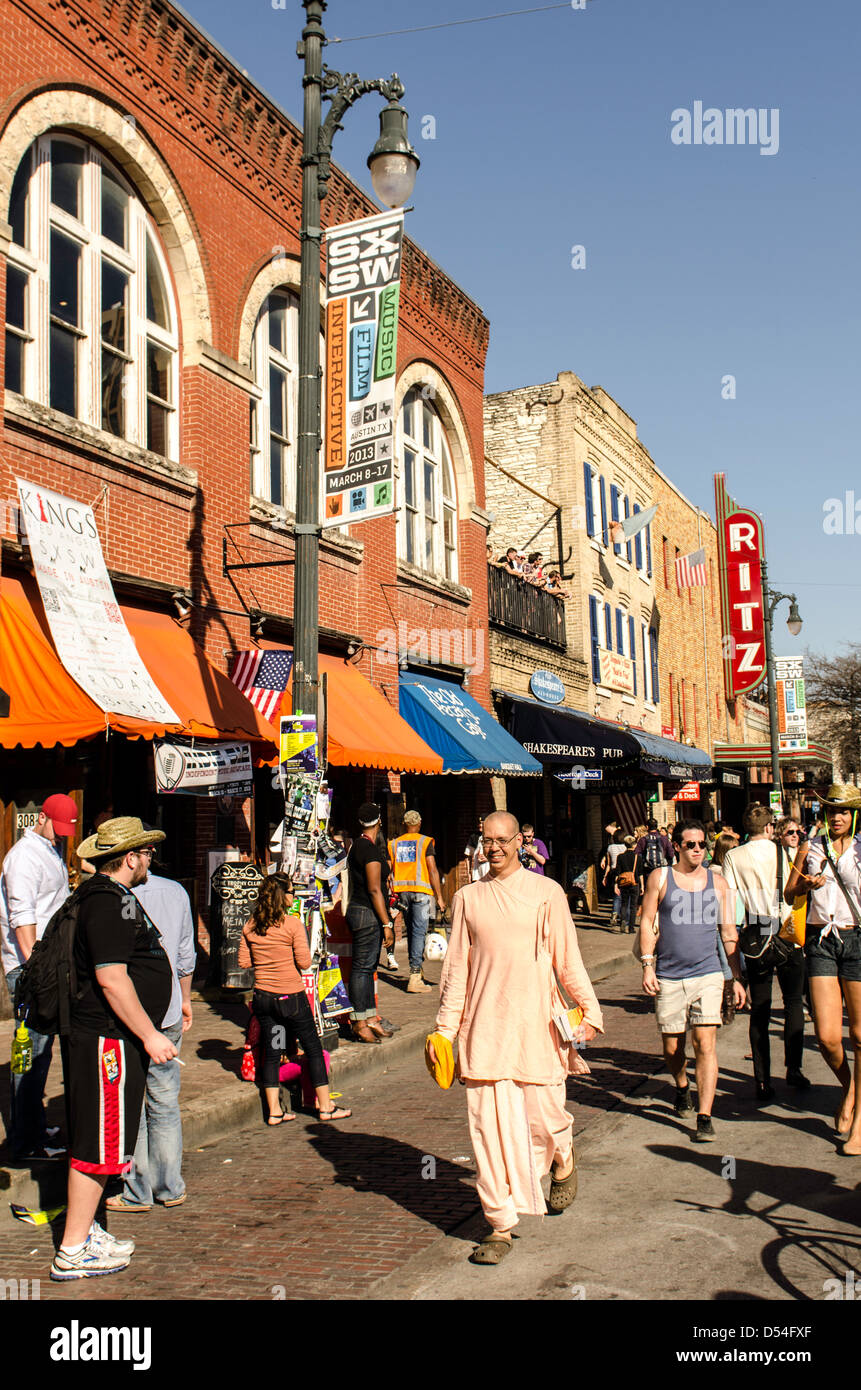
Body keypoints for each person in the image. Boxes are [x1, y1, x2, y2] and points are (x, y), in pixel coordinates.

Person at [429, 811, 603, 1265]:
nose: (495, 848)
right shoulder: (467, 898)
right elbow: (456, 972)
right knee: (487, 1132)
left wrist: (588, 1010)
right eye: (487, 840)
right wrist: (446, 1030)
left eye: (503, 840)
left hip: (537, 1029)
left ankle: (563, 1155)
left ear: (519, 842)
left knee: (546, 1117)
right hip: (483, 1031)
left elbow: (568, 958)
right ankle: (500, 1224)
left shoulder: (547, 893)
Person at [50, 818, 176, 1281]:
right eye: (146, 854)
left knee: (108, 1137)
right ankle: (72, 1248)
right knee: (97, 1141)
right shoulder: (105, 901)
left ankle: (88, 1231)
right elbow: (111, 976)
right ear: (130, 858)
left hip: (110, 1038)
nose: (150, 861)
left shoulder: (106, 896)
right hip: (107, 1039)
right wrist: (149, 1034)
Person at [639, 818, 746, 1142]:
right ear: (678, 846)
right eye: (691, 845)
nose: (698, 850)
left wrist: (736, 976)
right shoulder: (660, 878)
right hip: (669, 975)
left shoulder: (719, 883)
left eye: (703, 845)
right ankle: (682, 1086)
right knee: (673, 1047)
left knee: (705, 1044)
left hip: (709, 974)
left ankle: (704, 1115)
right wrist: (647, 965)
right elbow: (645, 922)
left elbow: (728, 932)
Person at [106, 863, 196, 1212]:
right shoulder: (175, 891)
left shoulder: (114, 896)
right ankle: (169, 1185)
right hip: (169, 1006)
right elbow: (186, 955)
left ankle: (138, 1187)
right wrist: (185, 998)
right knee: (164, 1098)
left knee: (133, 1100)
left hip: (130, 1011)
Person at [785, 784, 861, 1153]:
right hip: (820, 941)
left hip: (856, 939)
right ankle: (850, 1088)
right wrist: (805, 884)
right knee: (829, 1038)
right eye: (832, 810)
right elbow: (789, 893)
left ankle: (859, 1120)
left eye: (844, 811)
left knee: (860, 1037)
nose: (838, 817)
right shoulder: (810, 847)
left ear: (854, 815)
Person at [1, 793, 78, 1160]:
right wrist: (34, 967)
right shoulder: (23, 858)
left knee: (42, 1050)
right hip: (32, 967)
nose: (62, 835)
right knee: (30, 1051)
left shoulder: (50, 850)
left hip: (46, 962)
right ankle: (25, 1140)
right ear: (41, 819)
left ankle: (33, 1123)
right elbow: (22, 914)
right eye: (58, 828)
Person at [239, 874, 351, 1125]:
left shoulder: (250, 925)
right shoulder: (292, 925)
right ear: (282, 896)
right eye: (290, 891)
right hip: (291, 998)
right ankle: (325, 1106)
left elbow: (244, 962)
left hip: (264, 1000)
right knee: (312, 1047)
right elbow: (303, 962)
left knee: (271, 1052)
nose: (293, 896)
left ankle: (274, 1111)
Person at [722, 804, 807, 1105]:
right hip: (786, 929)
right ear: (770, 827)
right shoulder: (783, 852)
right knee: (794, 1000)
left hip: (756, 930)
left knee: (760, 1008)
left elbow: (730, 900)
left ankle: (762, 1078)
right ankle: (794, 1067)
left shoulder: (734, 856)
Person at [344, 804, 393, 1042]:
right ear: (379, 821)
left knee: (369, 967)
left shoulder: (358, 845)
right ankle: (359, 1021)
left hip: (362, 911)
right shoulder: (368, 849)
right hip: (366, 912)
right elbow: (374, 889)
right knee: (362, 968)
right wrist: (387, 923)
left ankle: (370, 1017)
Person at [388, 810, 447, 994]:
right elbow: (432, 869)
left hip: (402, 893)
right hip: (420, 892)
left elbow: (389, 871)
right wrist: (440, 897)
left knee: (413, 931)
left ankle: (417, 969)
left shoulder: (394, 843)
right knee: (419, 932)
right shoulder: (425, 841)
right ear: (419, 823)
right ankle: (414, 976)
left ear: (404, 824)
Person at [613, 834, 644, 933]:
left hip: (623, 883)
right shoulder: (637, 858)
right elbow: (640, 874)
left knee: (624, 903)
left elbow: (618, 872)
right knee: (633, 905)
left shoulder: (620, 857)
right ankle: (631, 927)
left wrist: (615, 884)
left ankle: (622, 921)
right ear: (634, 845)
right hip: (634, 883)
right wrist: (642, 886)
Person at [601, 829, 627, 925]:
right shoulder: (625, 847)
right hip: (624, 871)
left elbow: (608, 863)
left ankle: (614, 913)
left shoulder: (610, 848)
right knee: (625, 896)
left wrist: (605, 876)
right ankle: (624, 917)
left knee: (616, 895)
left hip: (613, 871)